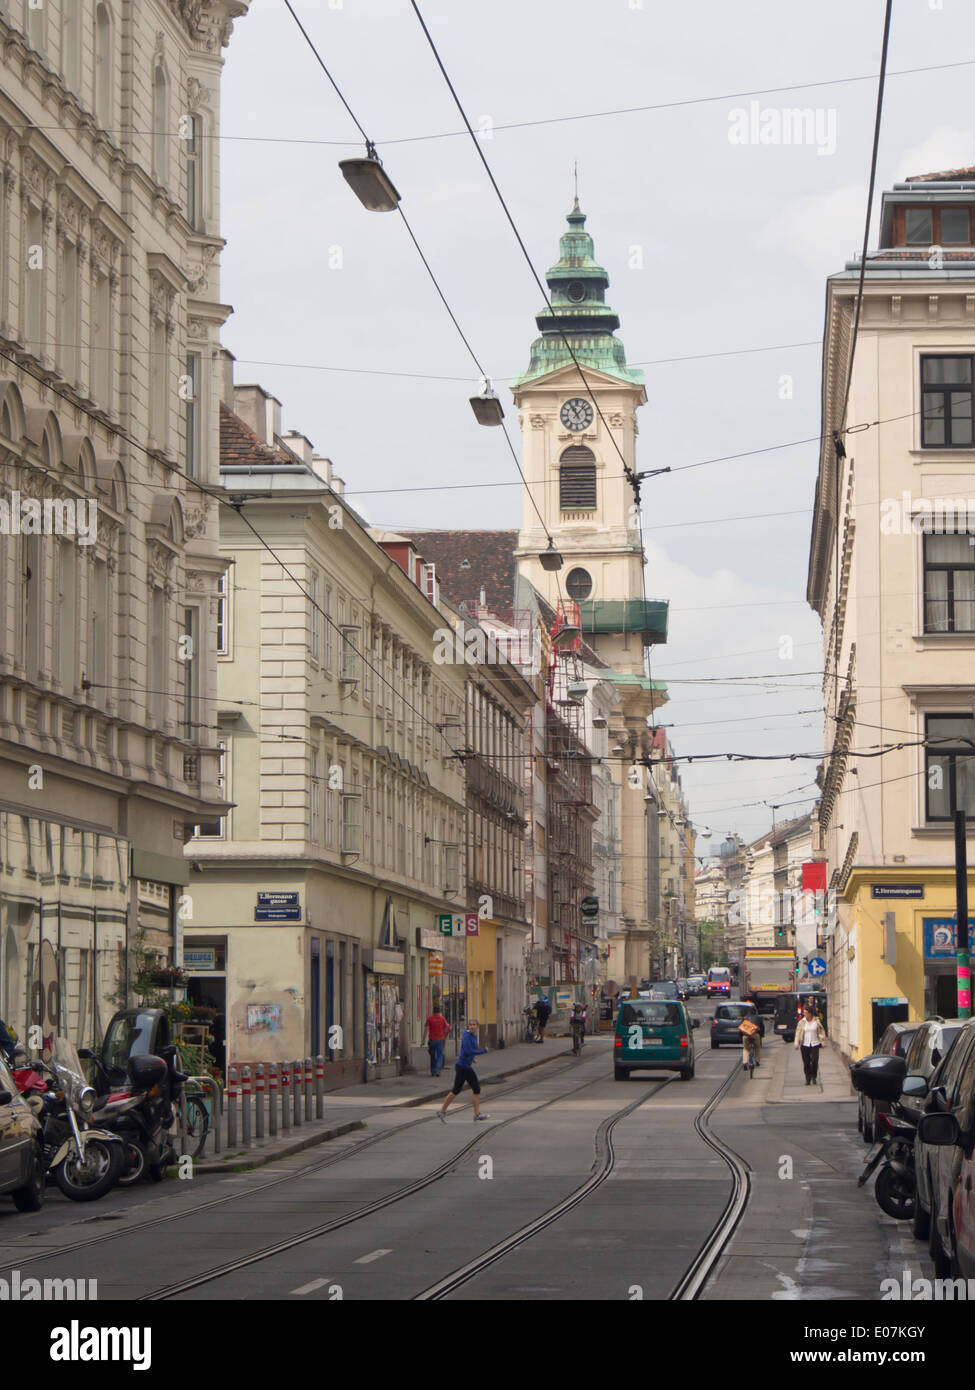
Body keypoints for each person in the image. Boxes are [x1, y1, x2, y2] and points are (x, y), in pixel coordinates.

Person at [438, 1019, 489, 1122]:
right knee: (456, 1090)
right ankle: (442, 1111)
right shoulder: (466, 1036)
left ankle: (476, 1114)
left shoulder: (474, 1036)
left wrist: (472, 1059)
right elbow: (468, 1050)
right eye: (470, 1025)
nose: (472, 1027)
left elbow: (466, 1051)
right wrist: (483, 1051)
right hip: (462, 1067)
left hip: (466, 1066)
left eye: (474, 1025)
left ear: (477, 1027)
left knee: (476, 1088)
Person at [795, 1003, 827, 1084]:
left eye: (806, 1013)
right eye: (804, 1013)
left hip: (815, 1044)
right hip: (805, 1044)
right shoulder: (802, 1022)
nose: (804, 1014)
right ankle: (807, 1078)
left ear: (810, 1013)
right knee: (806, 1063)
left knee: (814, 1061)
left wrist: (823, 1042)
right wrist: (796, 1043)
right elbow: (798, 1033)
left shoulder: (816, 1021)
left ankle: (814, 1076)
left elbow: (821, 1031)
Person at [422, 1004, 450, 1077]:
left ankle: (433, 1071)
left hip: (432, 1040)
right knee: (440, 1055)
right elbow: (446, 1029)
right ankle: (438, 1070)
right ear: (439, 1011)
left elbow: (426, 1030)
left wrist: (423, 1040)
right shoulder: (442, 1019)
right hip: (440, 1039)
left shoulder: (429, 1019)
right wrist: (444, 1037)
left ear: (433, 1011)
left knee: (432, 1056)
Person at [738, 1005, 764, 1070]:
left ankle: (744, 1062)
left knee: (746, 1049)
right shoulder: (758, 1018)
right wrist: (762, 1035)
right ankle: (757, 1061)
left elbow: (741, 1028)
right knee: (757, 1047)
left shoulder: (744, 1018)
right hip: (755, 1035)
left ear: (748, 1012)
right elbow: (762, 1028)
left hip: (746, 1036)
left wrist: (741, 1035)